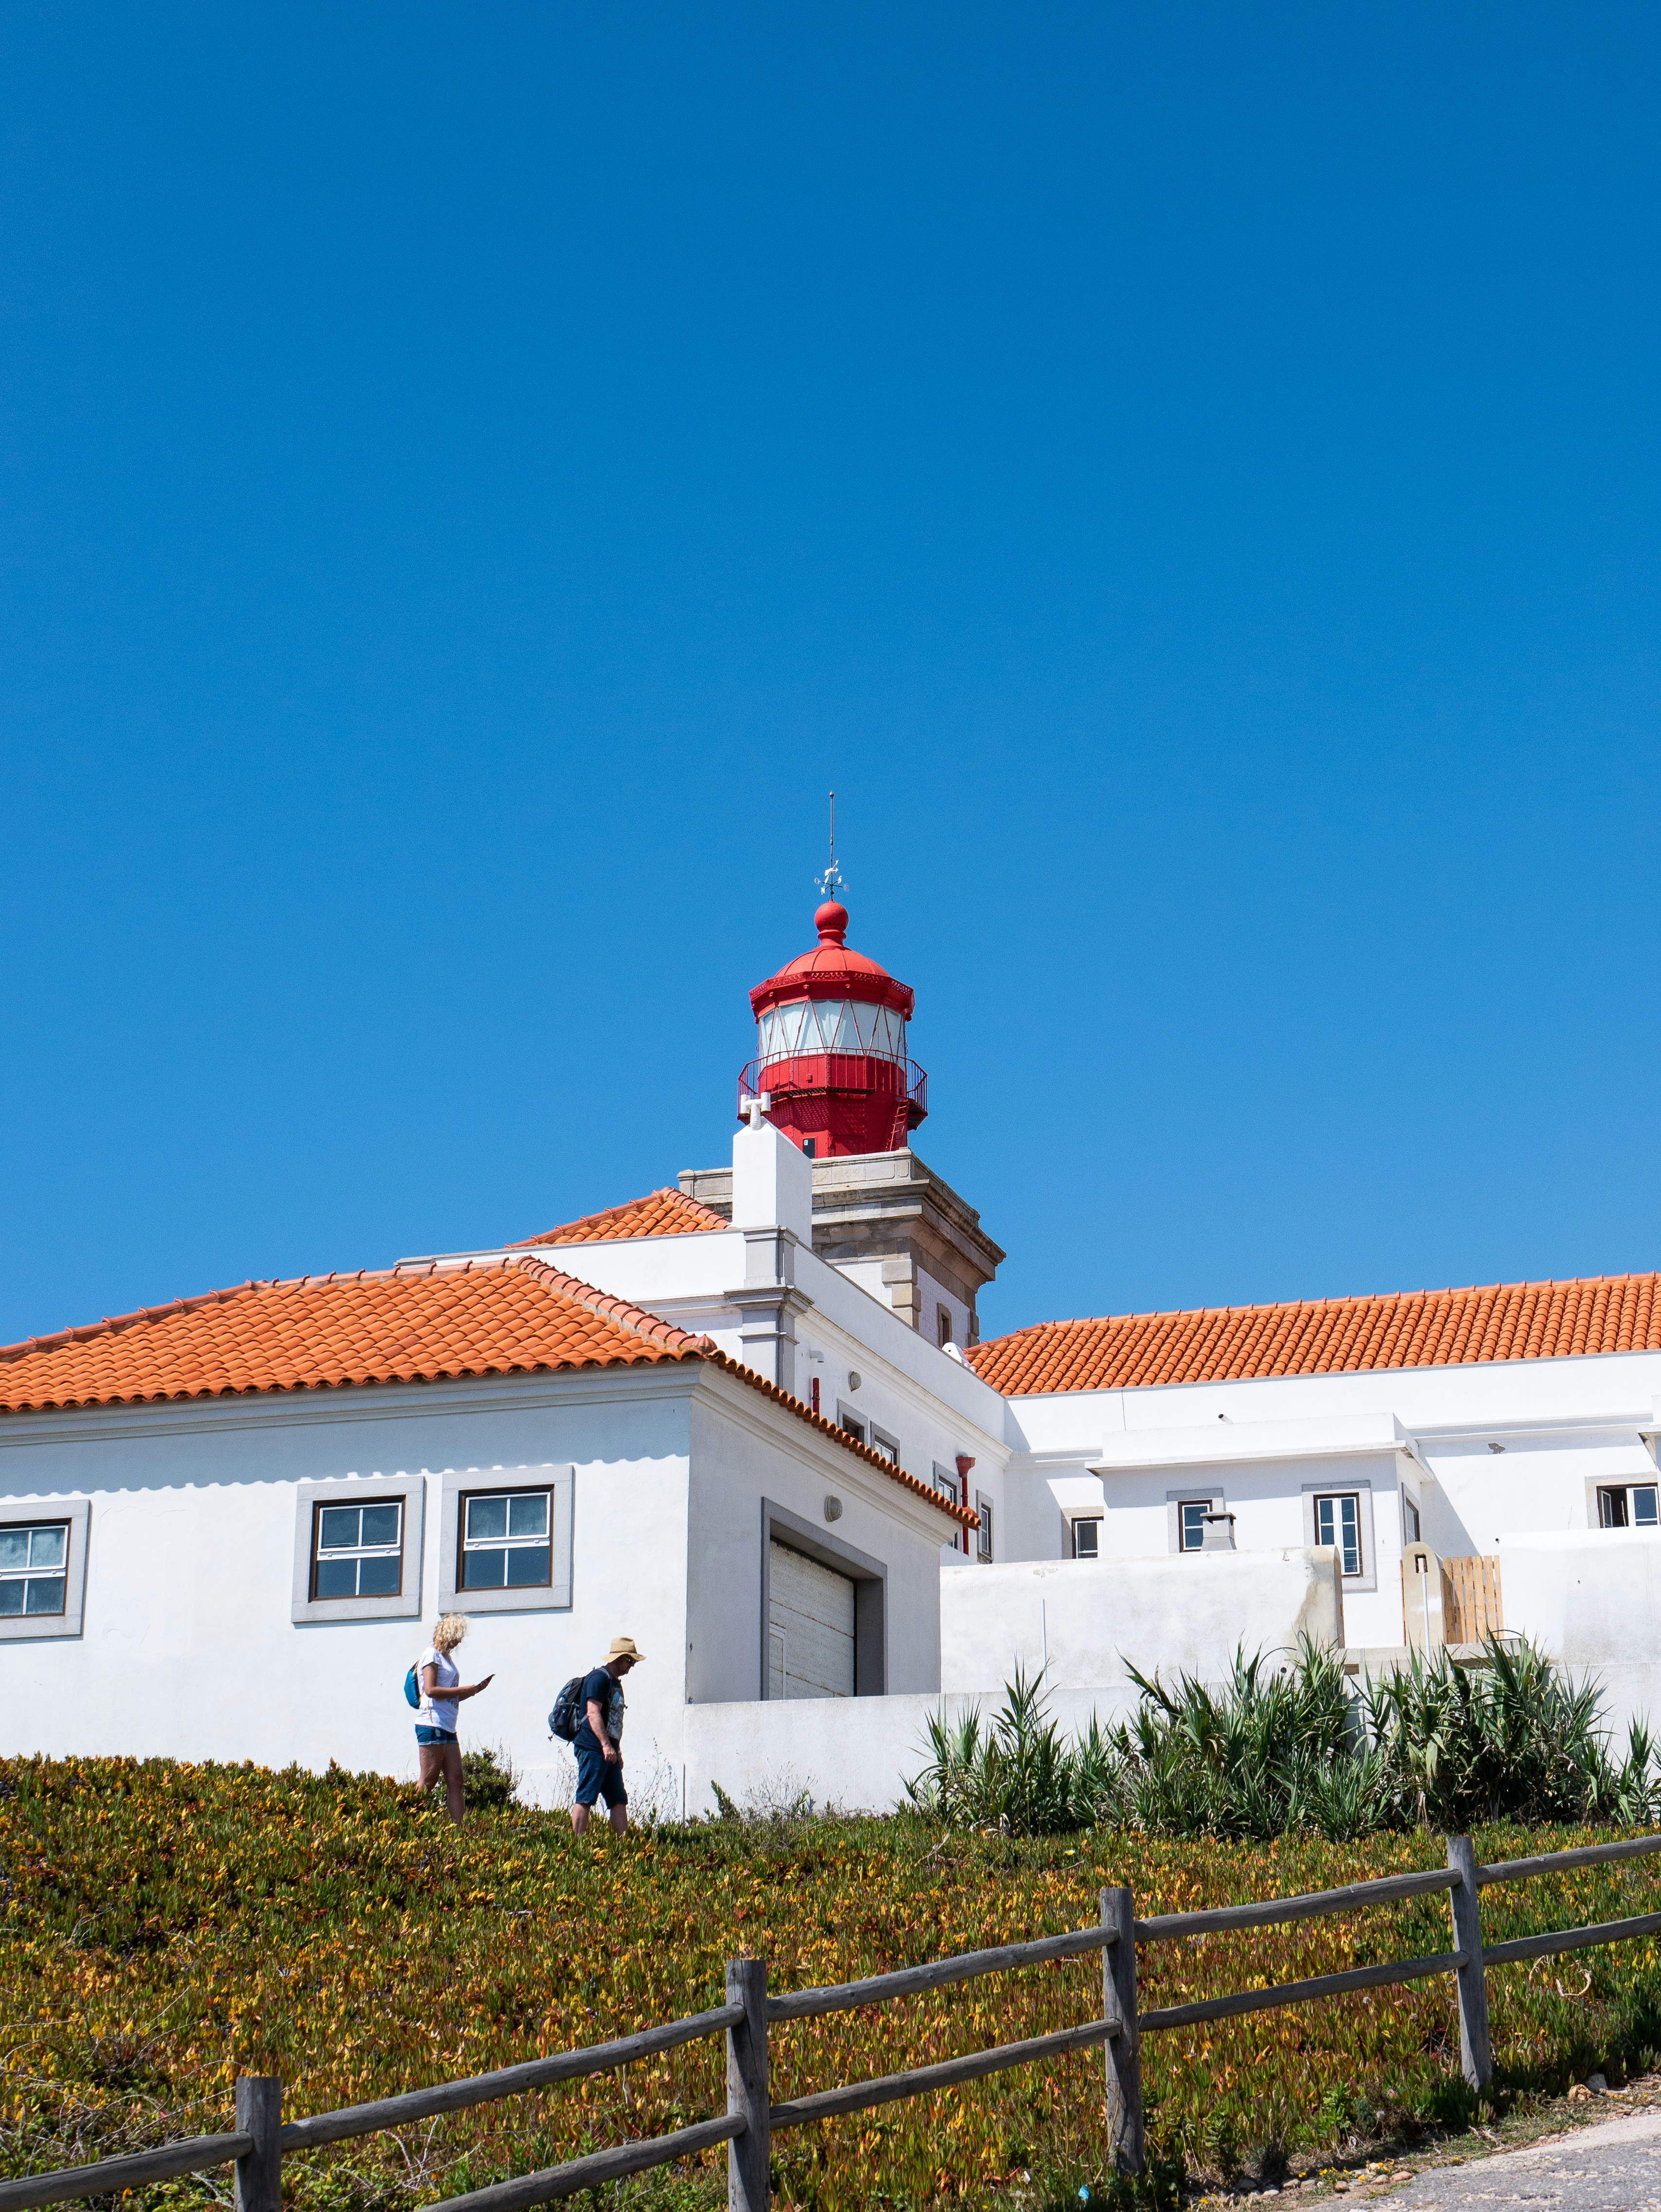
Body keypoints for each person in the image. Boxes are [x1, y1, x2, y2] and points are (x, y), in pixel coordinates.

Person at [416, 1613, 493, 1824]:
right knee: (429, 1779)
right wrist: (462, 1689)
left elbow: (451, 1693)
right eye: (458, 1635)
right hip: (432, 1723)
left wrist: (474, 1690)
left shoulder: (446, 1658)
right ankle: (408, 1820)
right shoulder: (431, 1654)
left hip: (448, 1726)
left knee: (456, 1780)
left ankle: (459, 1830)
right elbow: (430, 1690)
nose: (459, 1640)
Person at [570, 1636, 643, 1836]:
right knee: (586, 1796)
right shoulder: (599, 1679)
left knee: (618, 1798)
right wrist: (605, 1745)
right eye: (630, 1660)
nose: (632, 1665)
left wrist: (616, 1751)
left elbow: (613, 1721)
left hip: (608, 1752)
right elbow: (593, 1713)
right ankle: (576, 1844)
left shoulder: (615, 1683)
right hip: (593, 1749)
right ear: (619, 1658)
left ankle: (624, 1844)